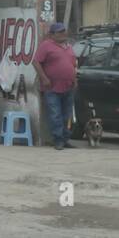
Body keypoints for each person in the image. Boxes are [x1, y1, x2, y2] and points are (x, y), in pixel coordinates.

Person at [32, 21, 77, 150]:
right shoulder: (46, 45)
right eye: (60, 32)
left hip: (68, 86)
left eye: (64, 31)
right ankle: (58, 140)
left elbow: (73, 64)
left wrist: (75, 79)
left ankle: (65, 138)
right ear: (52, 34)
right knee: (55, 114)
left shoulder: (68, 47)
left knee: (67, 115)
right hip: (51, 87)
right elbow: (35, 62)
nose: (63, 33)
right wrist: (44, 78)